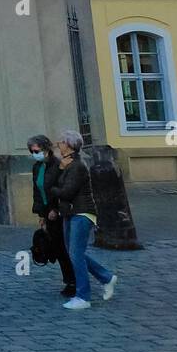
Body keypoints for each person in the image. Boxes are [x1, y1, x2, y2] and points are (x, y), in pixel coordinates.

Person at [55, 129, 116, 310]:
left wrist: (53, 188)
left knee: (75, 254)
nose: (59, 145)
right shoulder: (68, 164)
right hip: (71, 213)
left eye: (61, 142)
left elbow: (66, 191)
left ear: (68, 145)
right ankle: (106, 277)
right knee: (75, 253)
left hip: (82, 213)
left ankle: (83, 296)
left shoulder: (76, 165)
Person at [27, 134, 75, 298]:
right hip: (46, 210)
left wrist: (55, 208)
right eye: (32, 151)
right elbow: (37, 192)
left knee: (63, 247)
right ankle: (68, 279)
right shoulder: (37, 167)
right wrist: (41, 214)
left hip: (58, 211)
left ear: (46, 149)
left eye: (37, 150)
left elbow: (59, 188)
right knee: (56, 245)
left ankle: (72, 281)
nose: (34, 153)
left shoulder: (57, 165)